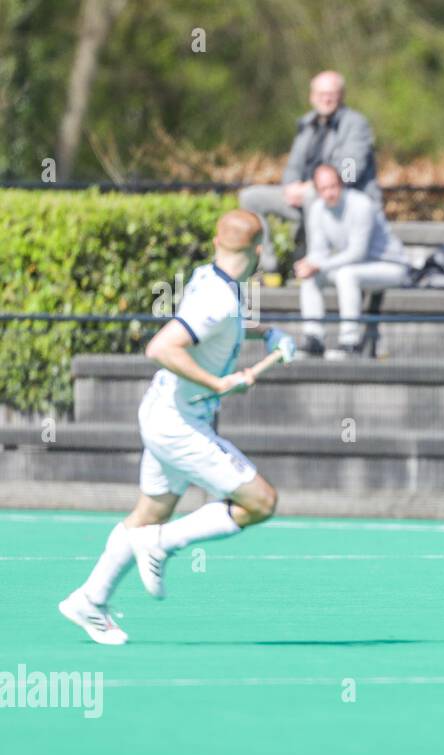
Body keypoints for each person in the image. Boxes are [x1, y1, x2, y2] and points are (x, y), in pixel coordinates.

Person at [58, 211, 286, 644]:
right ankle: (163, 544)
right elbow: (162, 347)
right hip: (179, 426)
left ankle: (89, 600)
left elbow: (217, 326)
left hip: (163, 413)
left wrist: (268, 333)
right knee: (260, 501)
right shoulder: (218, 299)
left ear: (218, 242)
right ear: (258, 252)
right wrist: (219, 383)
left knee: (149, 513)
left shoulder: (212, 279)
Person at [238, 71, 379, 274]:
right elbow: (294, 165)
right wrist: (291, 187)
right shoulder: (307, 124)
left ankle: (315, 266)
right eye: (321, 93)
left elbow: (351, 168)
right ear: (312, 97)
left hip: (340, 198)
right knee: (250, 198)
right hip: (303, 196)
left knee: (313, 196)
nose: (326, 98)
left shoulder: (355, 124)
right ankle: (268, 263)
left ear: (341, 95)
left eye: (332, 93)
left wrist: (313, 187)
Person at [295, 164, 410, 358]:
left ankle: (350, 343)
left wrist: (318, 264)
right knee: (311, 278)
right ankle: (314, 338)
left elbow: (358, 252)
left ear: (341, 184)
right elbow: (318, 251)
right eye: (324, 188)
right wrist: (307, 264)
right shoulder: (316, 210)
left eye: (333, 186)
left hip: (391, 267)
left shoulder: (362, 205)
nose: (330, 193)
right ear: (317, 190)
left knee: (346, 275)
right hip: (355, 267)